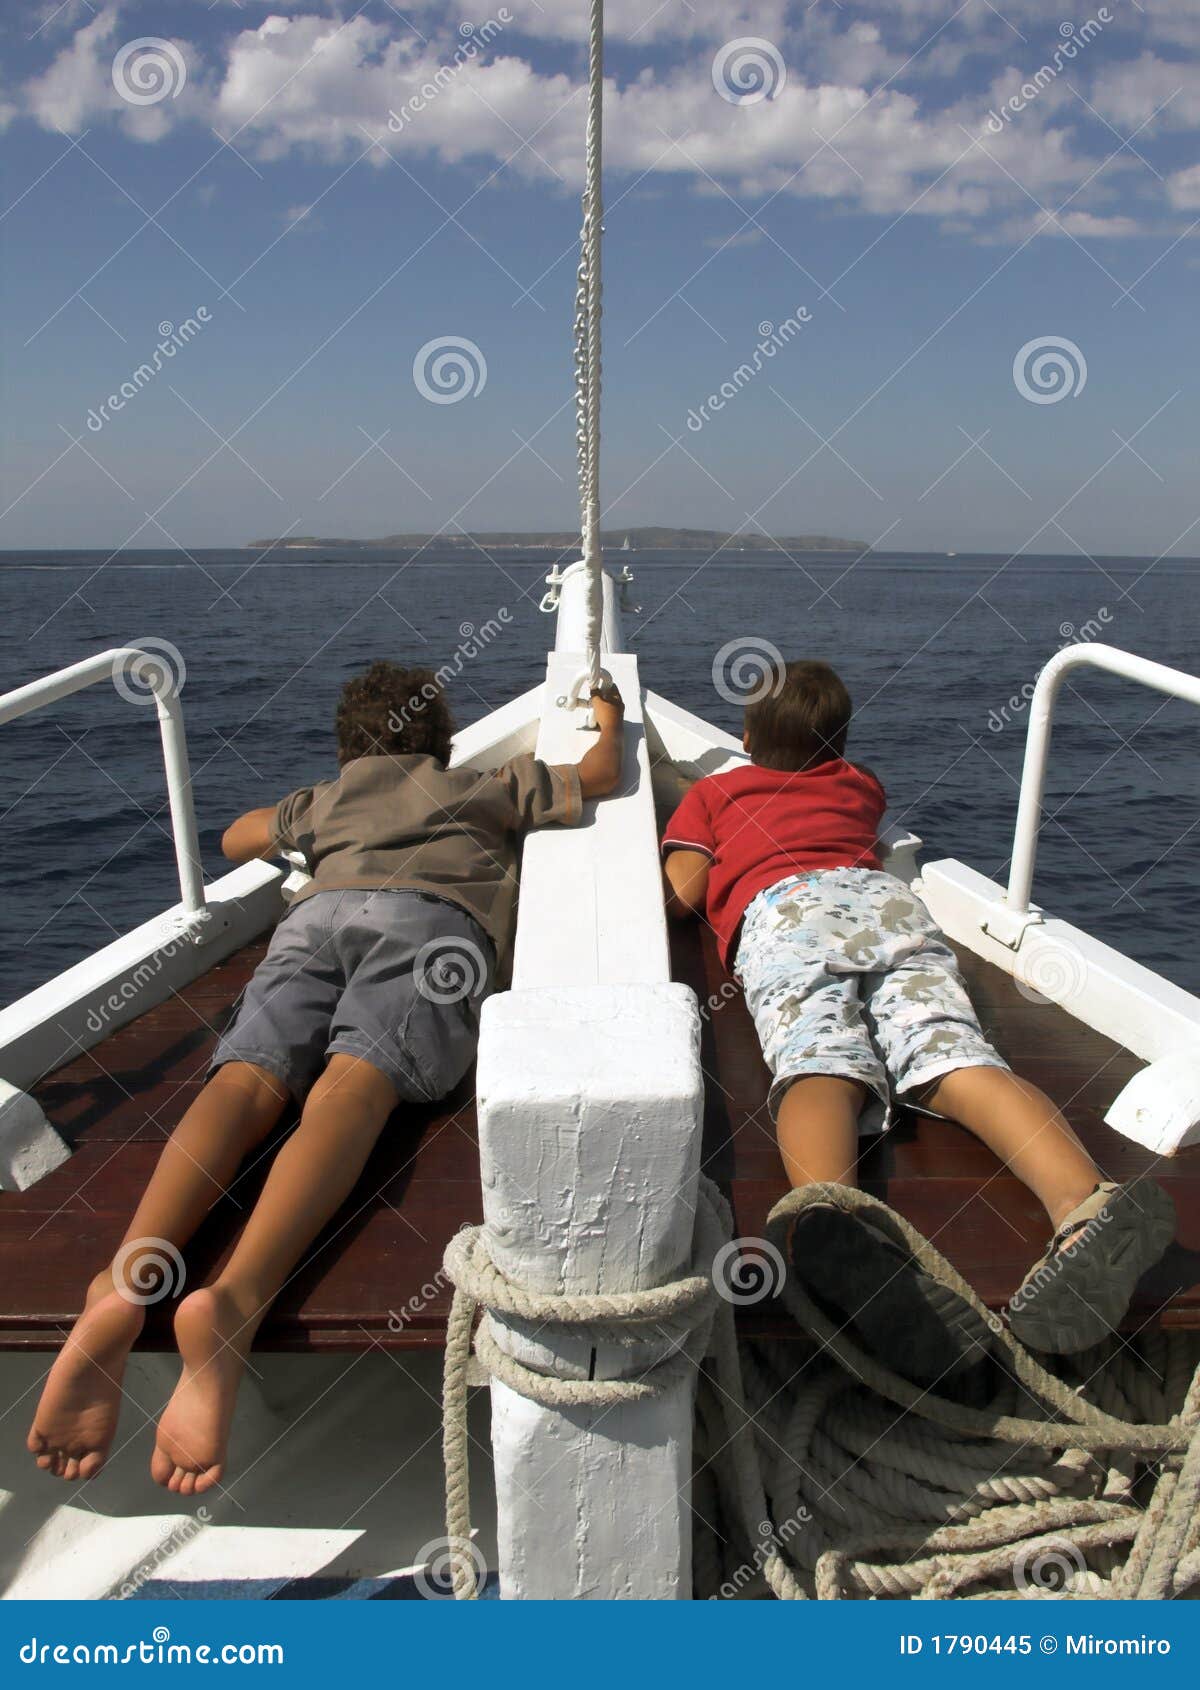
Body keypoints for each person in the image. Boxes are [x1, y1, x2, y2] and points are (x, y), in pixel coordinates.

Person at [29, 662, 625, 1492]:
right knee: (354, 1084)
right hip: (429, 924)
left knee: (242, 1081)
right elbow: (600, 775)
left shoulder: (327, 801)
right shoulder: (487, 786)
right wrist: (607, 713)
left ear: (349, 751)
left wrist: (301, 821)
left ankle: (127, 1277)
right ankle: (234, 1301)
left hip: (318, 917)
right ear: (439, 741)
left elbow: (238, 837)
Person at [662, 658, 1174, 1383]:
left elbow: (685, 891)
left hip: (789, 913)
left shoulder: (715, 793)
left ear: (747, 736)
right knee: (955, 1057)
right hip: (887, 906)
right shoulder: (860, 785)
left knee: (822, 1056)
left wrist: (692, 845)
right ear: (839, 743)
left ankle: (832, 1221)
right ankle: (1085, 1207)